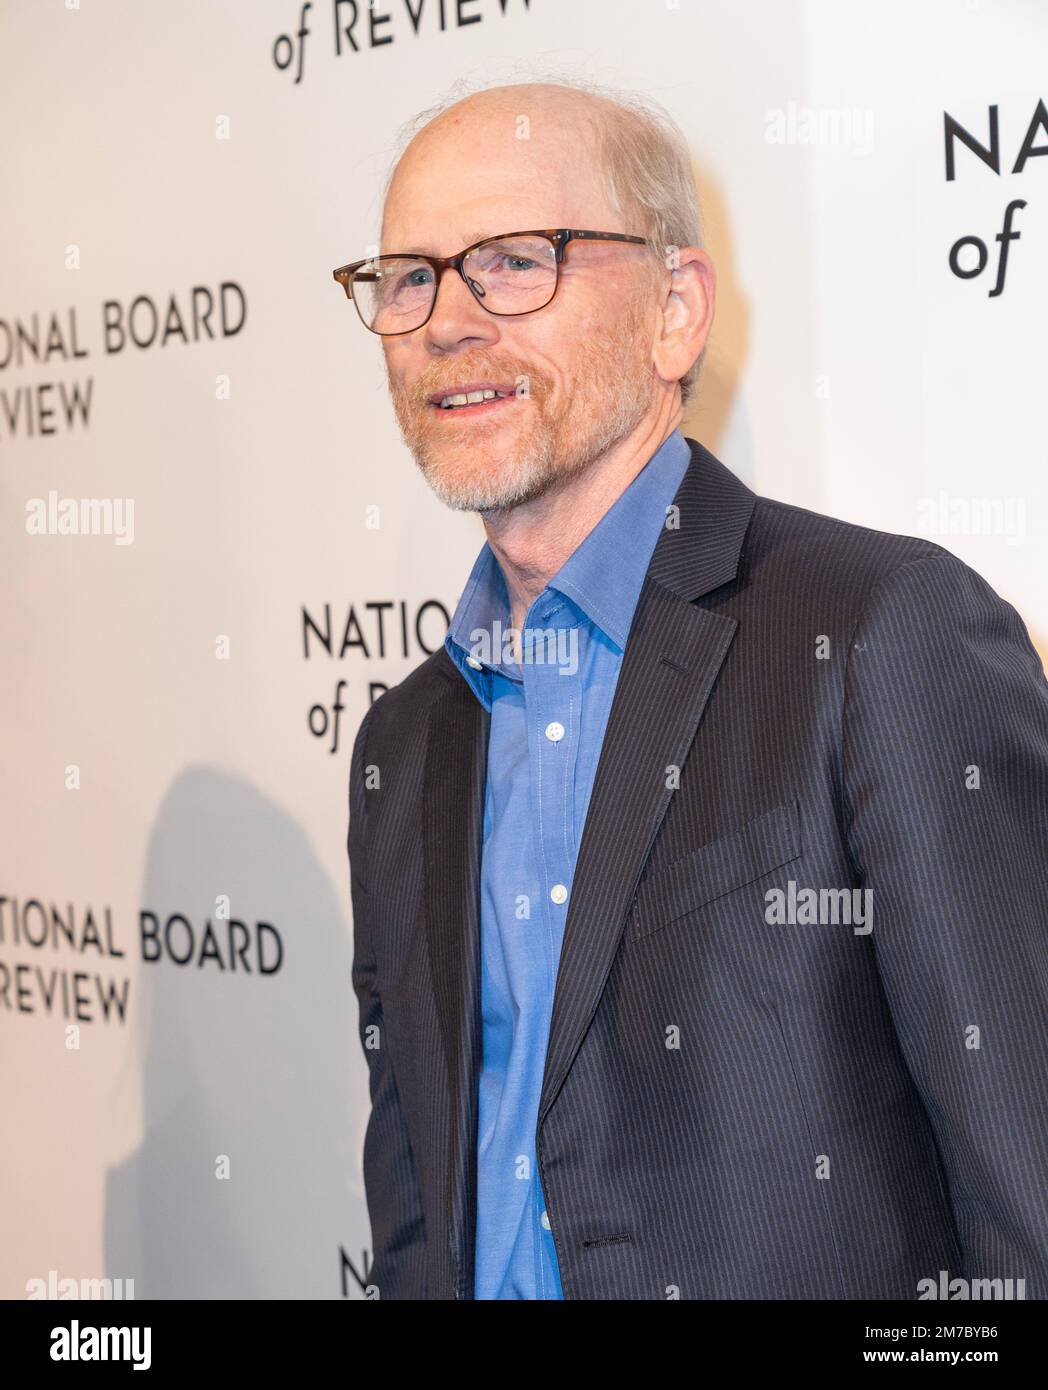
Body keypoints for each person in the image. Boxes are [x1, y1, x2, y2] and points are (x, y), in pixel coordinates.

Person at [340, 77, 1048, 1301]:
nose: (446, 320)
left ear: (675, 312)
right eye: (407, 277)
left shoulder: (878, 631)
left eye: (515, 260)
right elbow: (414, 1204)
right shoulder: (405, 741)